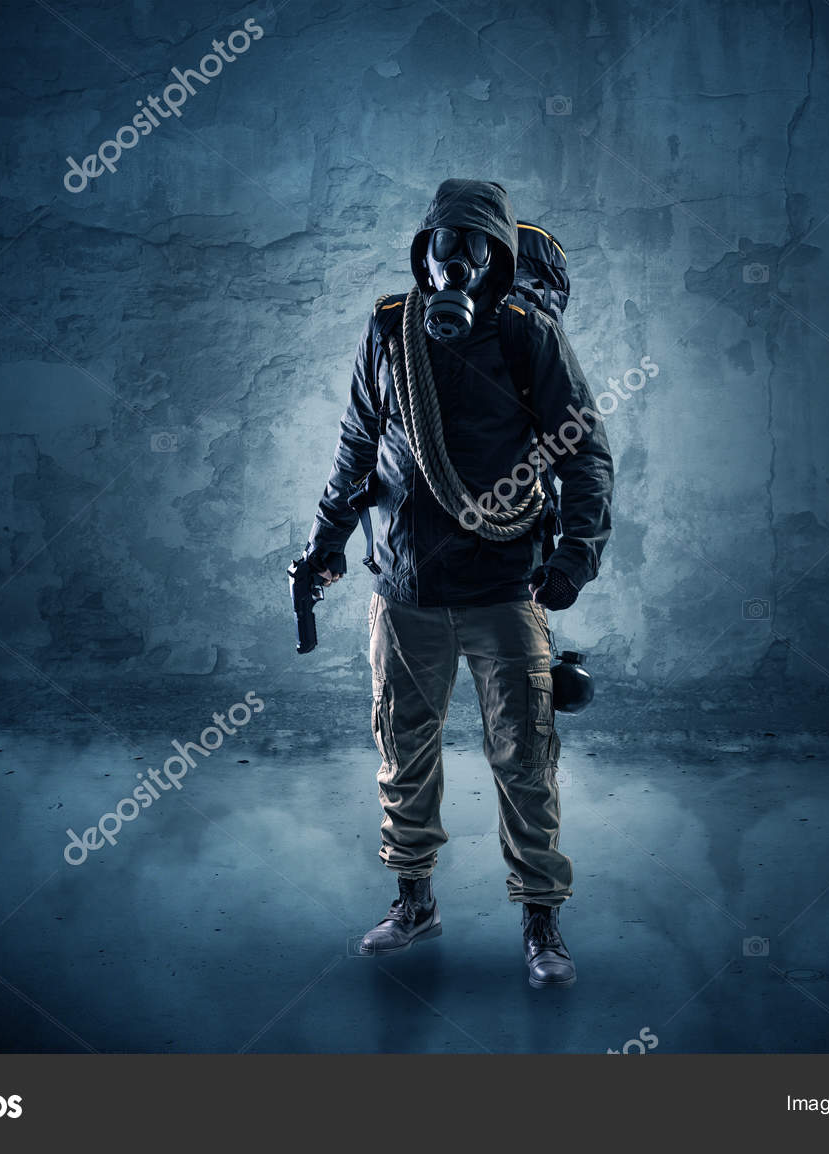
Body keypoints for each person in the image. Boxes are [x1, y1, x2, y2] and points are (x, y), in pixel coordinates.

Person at [301, 179, 613, 988]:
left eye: (473, 253)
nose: (454, 271)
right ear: (424, 252)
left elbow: (583, 452)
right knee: (403, 752)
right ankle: (413, 902)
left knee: (525, 758)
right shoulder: (387, 328)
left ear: (496, 262)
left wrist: (573, 557)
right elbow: (355, 448)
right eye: (443, 250)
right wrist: (323, 547)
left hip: (507, 588)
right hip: (405, 589)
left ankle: (541, 918)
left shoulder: (524, 333)